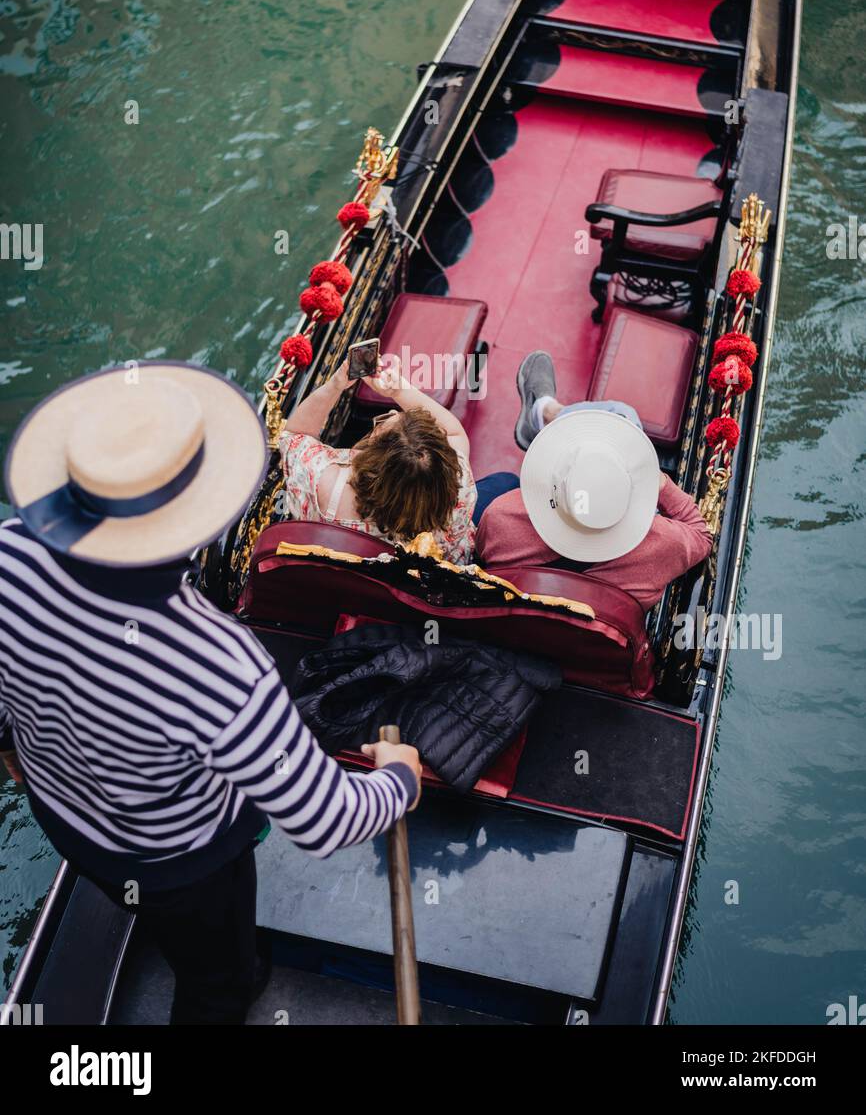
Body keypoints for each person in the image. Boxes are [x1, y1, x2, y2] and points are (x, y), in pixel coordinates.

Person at [0, 362, 422, 1025]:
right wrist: (399, 781)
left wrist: (11, 745)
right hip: (181, 864)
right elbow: (326, 820)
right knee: (218, 986)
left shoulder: (8, 553)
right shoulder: (221, 664)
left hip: (64, 818)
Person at [475, 351, 712, 609]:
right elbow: (702, 536)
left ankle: (544, 413)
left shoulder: (502, 517)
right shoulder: (662, 544)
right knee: (622, 414)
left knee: (506, 481)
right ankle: (544, 414)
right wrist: (661, 484)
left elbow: (483, 558)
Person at [279, 355, 477, 562]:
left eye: (381, 424)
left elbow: (294, 435)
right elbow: (454, 433)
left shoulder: (324, 486)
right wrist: (400, 390)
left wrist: (336, 384)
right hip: (442, 570)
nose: (392, 410)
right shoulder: (460, 481)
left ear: (373, 459)